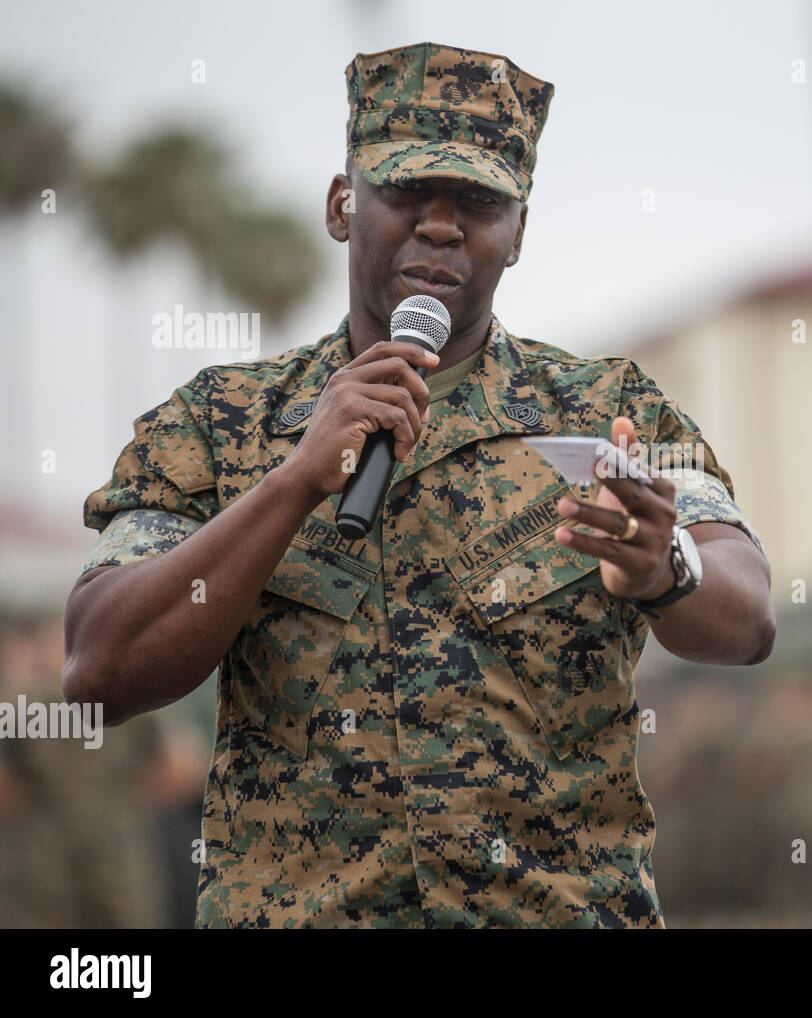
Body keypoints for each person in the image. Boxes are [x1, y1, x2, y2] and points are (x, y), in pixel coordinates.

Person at [62, 41, 775, 929]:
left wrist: (665, 568)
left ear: (518, 232)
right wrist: (291, 484)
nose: (441, 227)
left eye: (479, 203)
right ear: (340, 204)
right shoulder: (218, 424)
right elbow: (100, 673)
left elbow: (748, 619)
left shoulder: (609, 413)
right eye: (406, 193)